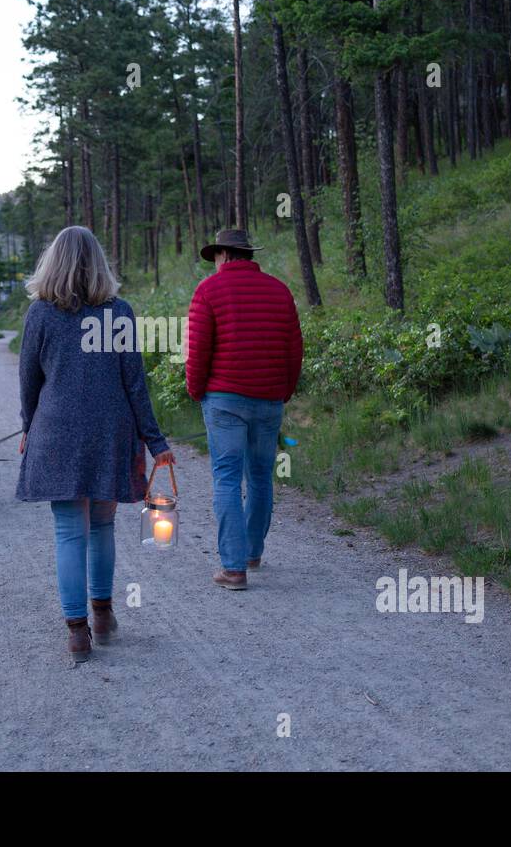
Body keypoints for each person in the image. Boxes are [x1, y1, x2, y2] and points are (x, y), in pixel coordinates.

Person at [17, 226, 174, 663]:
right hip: (110, 431)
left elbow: (29, 380)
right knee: (102, 527)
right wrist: (155, 439)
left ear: (52, 262)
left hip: (57, 431)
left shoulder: (40, 315)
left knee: (69, 531)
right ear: (99, 263)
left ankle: (77, 633)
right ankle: (102, 616)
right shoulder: (118, 312)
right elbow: (135, 385)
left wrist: (29, 425)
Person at [184, 228, 302, 591]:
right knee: (261, 476)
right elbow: (294, 349)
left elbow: (198, 349)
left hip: (224, 400)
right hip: (268, 400)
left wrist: (195, 389)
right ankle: (252, 553)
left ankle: (234, 569)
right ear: (247, 255)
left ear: (223, 255)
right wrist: (284, 391)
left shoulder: (208, 291)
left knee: (226, 478)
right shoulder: (280, 291)